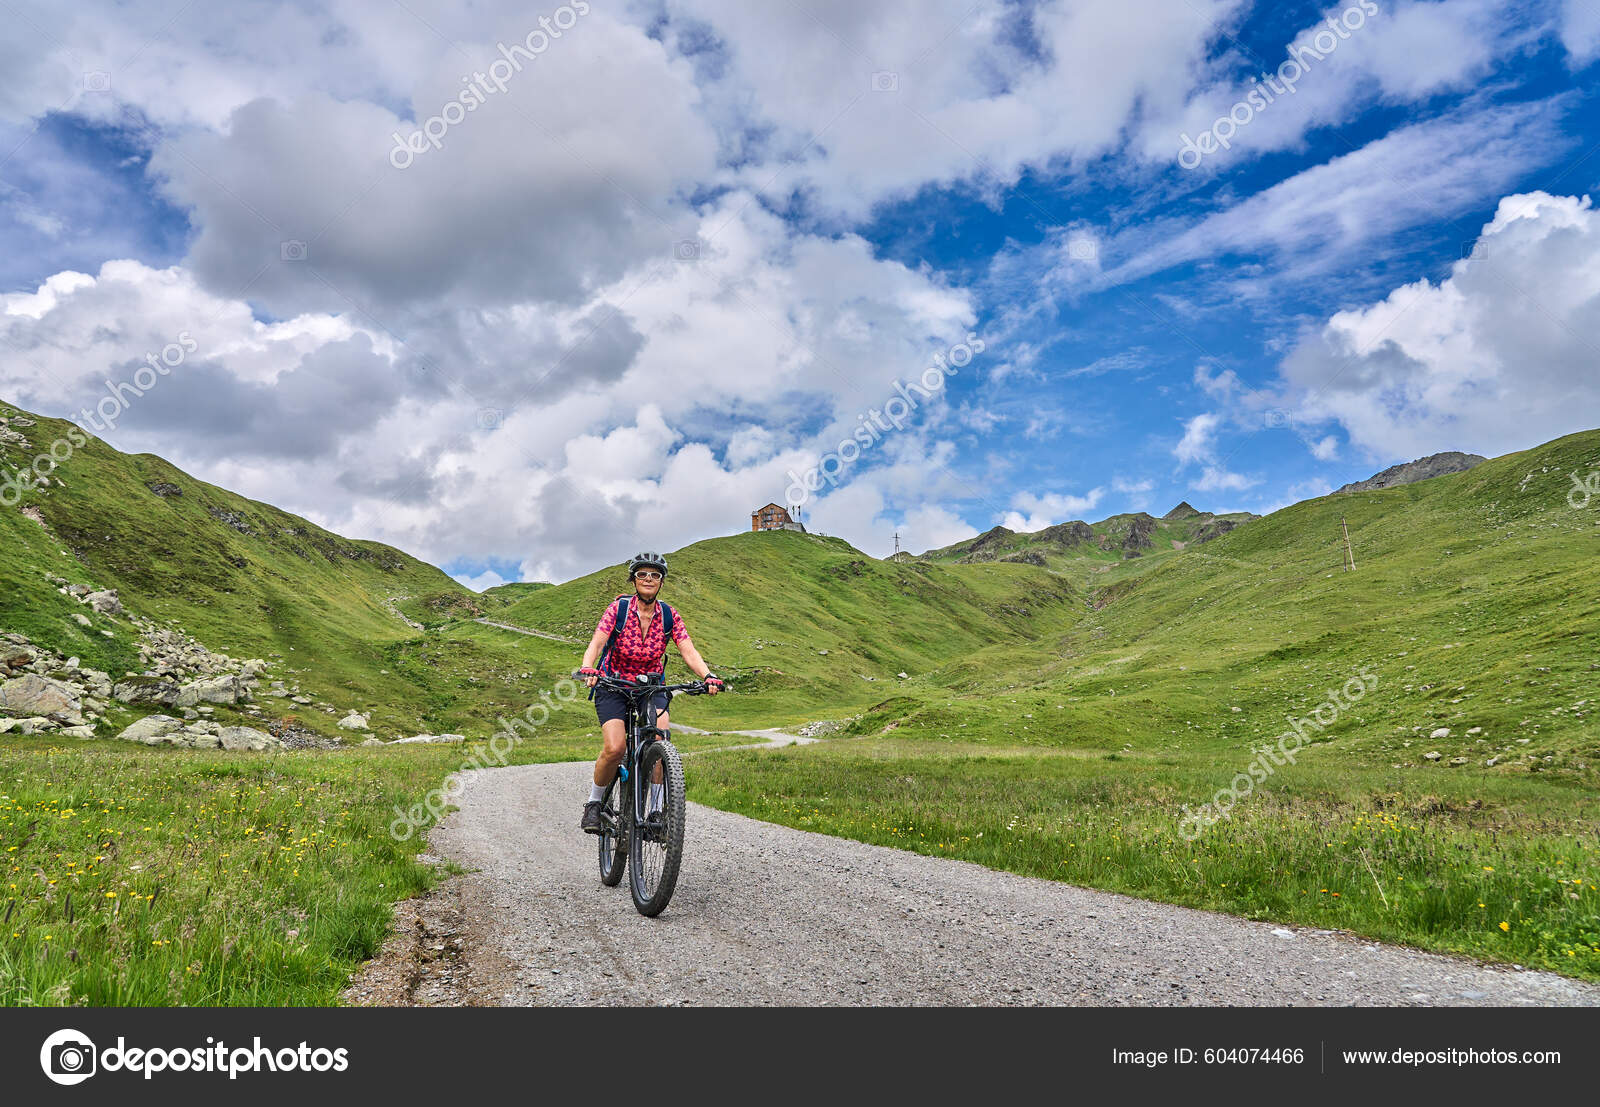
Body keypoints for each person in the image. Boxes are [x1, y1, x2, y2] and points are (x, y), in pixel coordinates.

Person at [575, 552, 721, 832]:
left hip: (651, 686)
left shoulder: (669, 616)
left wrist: (708, 675)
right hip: (613, 685)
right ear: (633, 580)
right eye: (642, 574)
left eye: (655, 575)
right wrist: (588, 667)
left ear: (662, 582)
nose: (649, 579)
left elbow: (688, 650)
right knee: (615, 748)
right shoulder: (618, 610)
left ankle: (655, 811)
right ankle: (594, 803)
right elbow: (597, 642)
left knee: (660, 738)